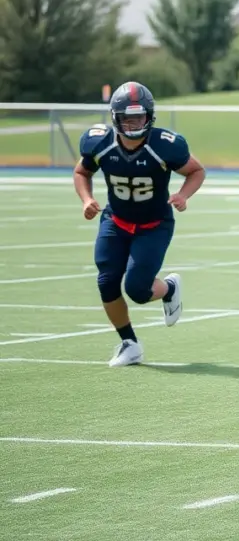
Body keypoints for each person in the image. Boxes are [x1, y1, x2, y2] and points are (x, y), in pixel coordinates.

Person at [73, 82, 206, 367]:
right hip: (116, 220)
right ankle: (129, 343)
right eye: (126, 117)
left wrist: (183, 195)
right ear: (115, 118)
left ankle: (168, 288)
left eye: (138, 117)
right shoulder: (99, 142)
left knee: (137, 289)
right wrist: (86, 199)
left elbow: (196, 170)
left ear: (150, 117)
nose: (132, 123)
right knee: (107, 280)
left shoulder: (165, 145)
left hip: (153, 224)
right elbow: (81, 172)